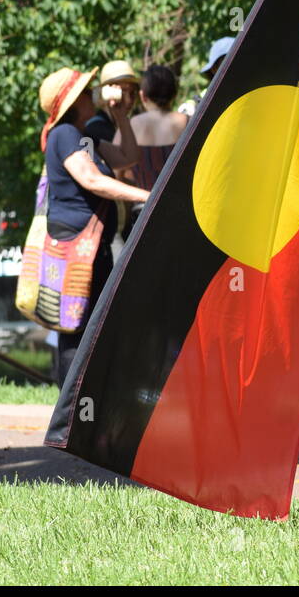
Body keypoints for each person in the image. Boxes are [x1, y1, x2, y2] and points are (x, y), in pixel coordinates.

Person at [39, 67, 150, 385]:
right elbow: (91, 180)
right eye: (87, 92)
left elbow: (128, 156)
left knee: (92, 326)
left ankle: (82, 409)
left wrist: (120, 117)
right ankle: (69, 413)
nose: (93, 97)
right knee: (76, 328)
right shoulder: (64, 135)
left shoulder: (83, 136)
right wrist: (150, 196)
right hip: (76, 247)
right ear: (74, 102)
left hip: (93, 246)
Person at [115, 64, 188, 202]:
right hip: (184, 205)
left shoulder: (128, 126)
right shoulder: (190, 123)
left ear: (142, 96)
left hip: (143, 215)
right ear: (175, 93)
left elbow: (115, 176)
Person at [86, 60, 142, 144]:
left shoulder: (119, 125)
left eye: (132, 93)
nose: (129, 100)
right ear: (106, 93)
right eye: (122, 92)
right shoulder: (96, 128)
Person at [179, 37, 235, 117]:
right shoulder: (206, 96)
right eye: (226, 62)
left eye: (234, 60)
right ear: (214, 69)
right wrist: (189, 108)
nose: (231, 66)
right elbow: (191, 105)